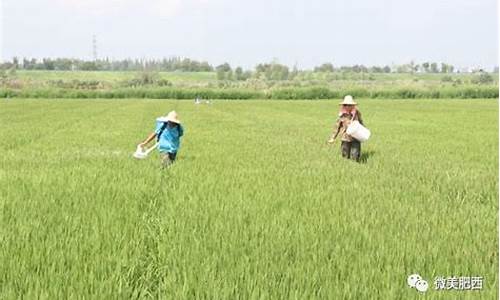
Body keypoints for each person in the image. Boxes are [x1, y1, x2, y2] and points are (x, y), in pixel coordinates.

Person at [328, 95, 364, 162]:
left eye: (349, 105)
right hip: (345, 137)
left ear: (352, 106)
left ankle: (355, 165)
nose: (347, 106)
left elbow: (361, 123)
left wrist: (363, 133)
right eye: (345, 105)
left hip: (355, 136)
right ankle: (346, 164)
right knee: (345, 153)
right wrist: (333, 137)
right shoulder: (341, 115)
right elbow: (337, 127)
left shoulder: (357, 113)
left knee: (355, 154)